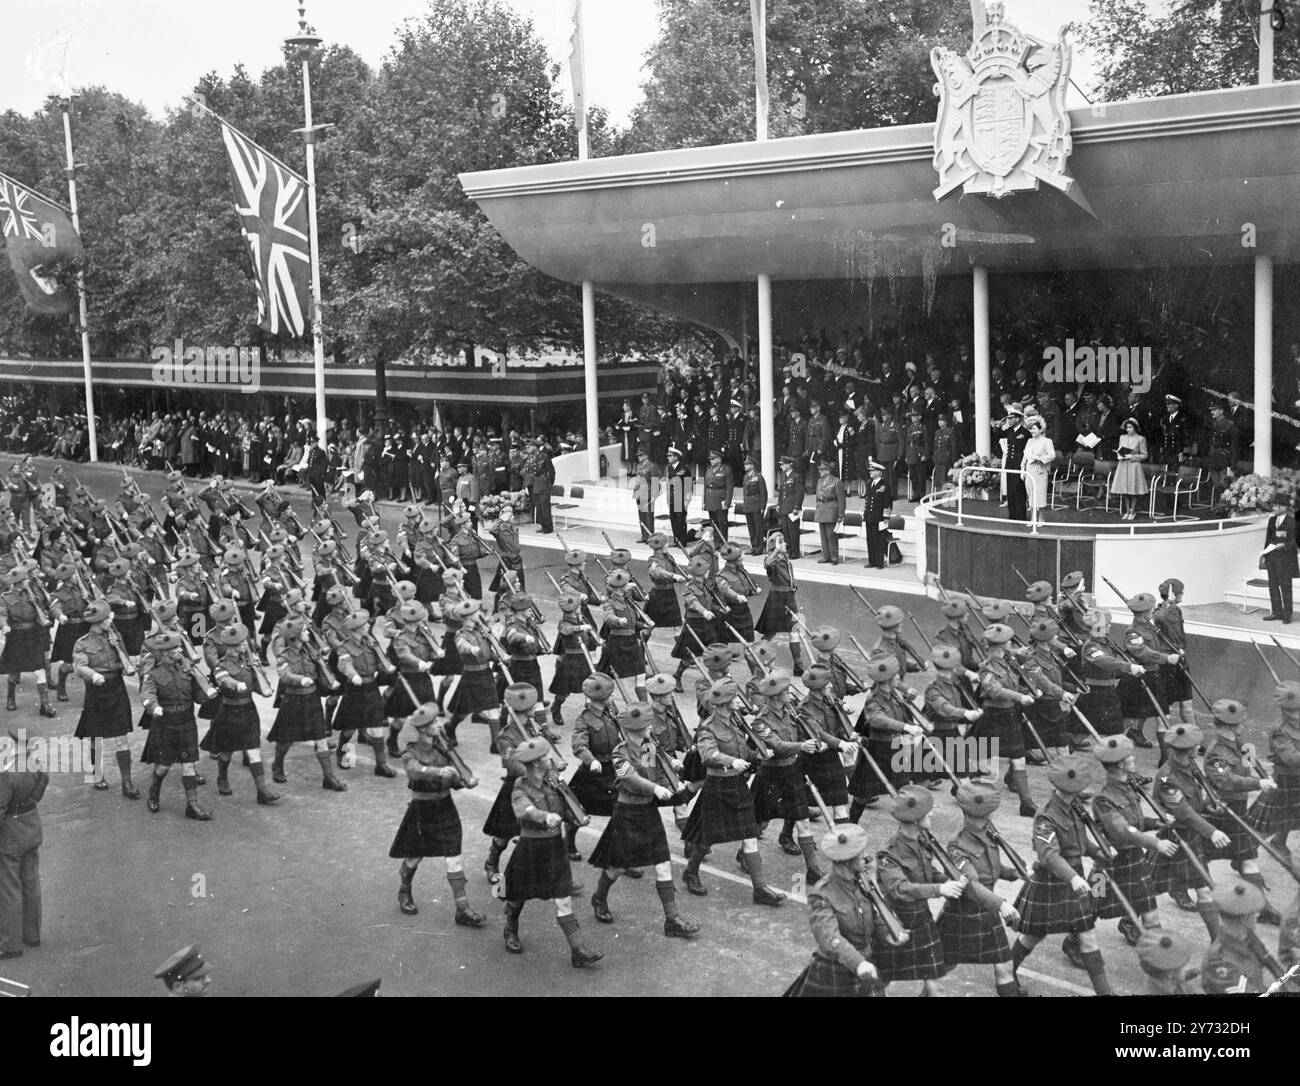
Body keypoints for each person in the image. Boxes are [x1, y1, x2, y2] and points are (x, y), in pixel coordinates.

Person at [588, 703, 700, 938]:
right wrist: (656, 788)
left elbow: (658, 767)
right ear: (635, 729)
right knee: (617, 867)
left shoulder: (650, 746)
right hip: (627, 814)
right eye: (647, 724)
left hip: (648, 812)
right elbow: (630, 779)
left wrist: (673, 771)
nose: (651, 726)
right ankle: (599, 898)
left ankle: (672, 920)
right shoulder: (620, 754)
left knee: (662, 863)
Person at [1010, 755, 1114, 996]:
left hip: (1073, 878)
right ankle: (1007, 974)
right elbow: (1049, 856)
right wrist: (1073, 878)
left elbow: (1080, 841)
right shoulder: (1046, 816)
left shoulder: (1075, 808)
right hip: (1051, 881)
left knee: (1088, 935)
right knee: (1034, 935)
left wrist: (1098, 851)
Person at [681, 679, 785, 905]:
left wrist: (759, 755)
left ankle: (760, 889)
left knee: (750, 835)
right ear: (726, 703)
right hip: (717, 787)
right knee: (706, 838)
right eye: (736, 698)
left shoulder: (736, 722)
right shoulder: (708, 728)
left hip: (737, 786)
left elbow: (745, 751)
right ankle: (691, 872)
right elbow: (708, 754)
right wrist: (731, 761)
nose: (740, 700)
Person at [502, 737, 603, 967]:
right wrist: (544, 817)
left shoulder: (554, 781)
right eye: (547, 756)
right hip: (530, 848)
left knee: (564, 900)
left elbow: (564, 808)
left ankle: (578, 950)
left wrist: (577, 817)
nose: (551, 758)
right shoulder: (520, 786)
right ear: (537, 763)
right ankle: (510, 928)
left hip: (555, 847)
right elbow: (524, 810)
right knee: (517, 897)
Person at [390, 703, 486, 928]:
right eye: (434, 723)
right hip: (422, 809)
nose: (439, 724)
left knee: (454, 857)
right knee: (414, 856)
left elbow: (455, 776)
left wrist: (465, 782)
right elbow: (413, 770)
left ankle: (462, 910)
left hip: (445, 806)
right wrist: (436, 771)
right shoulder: (411, 750)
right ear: (423, 729)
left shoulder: (443, 747)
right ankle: (404, 890)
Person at [785, 824, 899, 997]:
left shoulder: (862, 881)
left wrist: (887, 934)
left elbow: (874, 915)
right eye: (860, 855)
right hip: (835, 970)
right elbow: (829, 937)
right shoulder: (822, 894)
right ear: (848, 862)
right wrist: (858, 963)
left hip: (865, 964)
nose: (865, 857)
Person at [939, 781, 1022, 996]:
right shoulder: (957, 845)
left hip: (987, 911)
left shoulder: (988, 833)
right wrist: (1001, 904)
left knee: (1004, 965)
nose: (988, 819)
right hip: (962, 916)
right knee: (943, 968)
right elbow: (972, 884)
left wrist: (1015, 873)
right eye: (984, 816)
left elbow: (991, 868)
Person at [1090, 734, 1175, 946]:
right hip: (1108, 862)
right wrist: (1155, 843)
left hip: (1134, 859)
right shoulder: (1104, 798)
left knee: (1151, 913)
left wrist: (1156, 823)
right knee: (1090, 906)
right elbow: (1123, 831)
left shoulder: (1129, 786)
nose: (1134, 759)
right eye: (1130, 757)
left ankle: (1160, 959)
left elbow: (1134, 821)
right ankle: (1074, 943)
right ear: (1120, 764)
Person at [874, 785, 958, 996]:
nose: (931, 813)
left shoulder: (923, 840)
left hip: (921, 918)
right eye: (926, 811)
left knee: (934, 984)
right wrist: (941, 889)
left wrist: (951, 879)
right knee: (880, 981)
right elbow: (901, 889)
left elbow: (930, 871)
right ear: (914, 819)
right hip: (896, 921)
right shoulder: (889, 853)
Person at [139, 632, 214, 820]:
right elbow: (147, 695)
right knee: (163, 767)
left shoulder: (187, 670)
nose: (180, 650)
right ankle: (154, 791)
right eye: (175, 648)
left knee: (189, 765)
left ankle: (192, 805)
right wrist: (154, 708)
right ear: (165, 653)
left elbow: (198, 693)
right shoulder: (154, 674)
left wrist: (208, 695)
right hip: (165, 725)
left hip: (187, 722)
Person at [73, 600, 139, 798]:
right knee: (96, 735)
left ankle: (127, 782)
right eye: (107, 619)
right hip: (97, 690)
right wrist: (93, 675)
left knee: (122, 737)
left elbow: (124, 659)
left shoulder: (115, 637)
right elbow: (79, 666)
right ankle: (97, 774)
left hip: (116, 687)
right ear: (98, 621)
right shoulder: (82, 643)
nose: (110, 621)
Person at [0, 731, 46, 959]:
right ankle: (33, 934)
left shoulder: (6, 771)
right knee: (31, 882)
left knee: (9, 887)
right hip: (31, 826)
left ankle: (10, 944)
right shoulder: (36, 764)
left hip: (11, 833)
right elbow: (41, 787)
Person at [1245, 680, 1300, 855]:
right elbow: (1292, 758)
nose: (1296, 715)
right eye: (1292, 711)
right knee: (1265, 823)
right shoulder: (1280, 729)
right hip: (1284, 779)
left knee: (1293, 815)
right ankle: (1245, 854)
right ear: (1284, 709)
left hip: (1297, 779)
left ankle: (1279, 841)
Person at [1201, 880, 1276, 994]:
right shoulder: (1220, 961)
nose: (1257, 914)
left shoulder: (1247, 936)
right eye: (1253, 912)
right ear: (1243, 919)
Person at [1261, 498, 1298, 623]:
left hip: (1285, 559)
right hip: (1271, 557)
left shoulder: (1291, 522)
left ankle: (1287, 614)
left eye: (1276, 507)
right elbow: (1268, 539)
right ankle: (1277, 612)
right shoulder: (1272, 520)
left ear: (1283, 508)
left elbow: (1294, 541)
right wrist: (1265, 555)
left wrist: (1284, 545)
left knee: (1285, 586)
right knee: (1273, 585)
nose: (1273, 509)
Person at [1112, 417, 1149, 521]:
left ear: (1135, 428)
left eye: (1130, 427)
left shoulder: (1141, 439)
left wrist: (1131, 457)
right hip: (1123, 465)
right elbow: (1120, 450)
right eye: (1127, 427)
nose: (1128, 429)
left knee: (1133, 490)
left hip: (1134, 466)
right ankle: (1127, 511)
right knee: (1125, 490)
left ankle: (1133, 511)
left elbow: (1144, 455)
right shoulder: (1122, 437)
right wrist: (1119, 456)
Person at [1020, 415, 1055, 521]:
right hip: (1029, 471)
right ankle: (1033, 519)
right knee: (1030, 494)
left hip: (1040, 471)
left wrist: (1039, 458)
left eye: (1034, 428)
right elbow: (1025, 455)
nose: (1032, 431)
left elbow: (1052, 455)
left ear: (1040, 429)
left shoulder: (1047, 441)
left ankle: (1041, 518)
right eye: (1030, 429)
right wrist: (1022, 469)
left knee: (1040, 495)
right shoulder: (1029, 441)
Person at [813, 459, 846, 565]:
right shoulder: (819, 481)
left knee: (831, 536)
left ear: (828, 470)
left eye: (822, 470)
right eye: (820, 469)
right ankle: (826, 556)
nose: (820, 471)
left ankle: (834, 556)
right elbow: (818, 496)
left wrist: (841, 514)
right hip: (821, 510)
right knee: (823, 536)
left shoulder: (836, 482)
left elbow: (841, 500)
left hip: (831, 510)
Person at [862, 460, 892, 569]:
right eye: (870, 470)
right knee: (870, 539)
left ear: (879, 472)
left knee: (878, 540)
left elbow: (888, 502)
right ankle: (872, 561)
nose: (870, 472)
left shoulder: (884, 485)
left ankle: (879, 562)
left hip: (879, 517)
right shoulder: (870, 484)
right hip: (869, 516)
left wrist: (886, 517)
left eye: (873, 470)